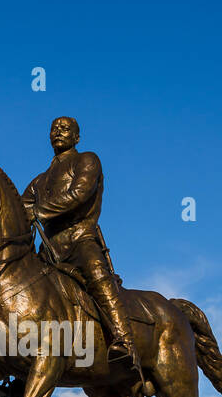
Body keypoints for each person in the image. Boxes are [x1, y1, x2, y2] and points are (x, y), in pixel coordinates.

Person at [22, 116, 142, 383]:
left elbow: (79, 193)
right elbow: (20, 210)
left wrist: (39, 211)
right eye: (53, 128)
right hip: (50, 251)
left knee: (98, 275)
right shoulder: (38, 182)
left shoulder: (87, 160)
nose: (57, 132)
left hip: (80, 240)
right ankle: (20, 367)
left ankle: (124, 340)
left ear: (76, 137)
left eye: (65, 129)